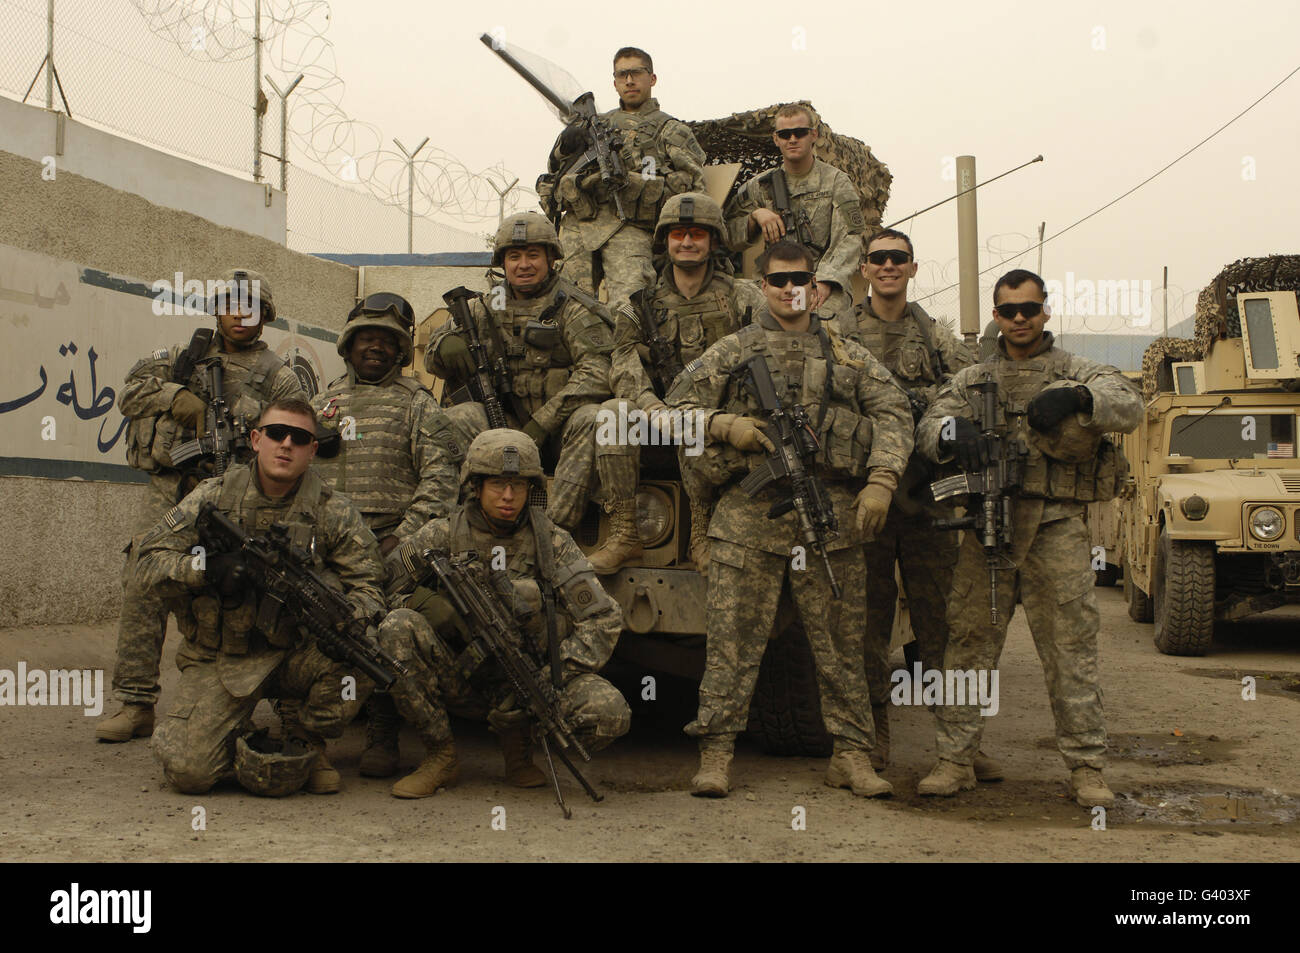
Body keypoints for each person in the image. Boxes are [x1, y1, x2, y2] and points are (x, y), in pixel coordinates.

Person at [666, 240, 913, 798]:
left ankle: (851, 755)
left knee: (841, 647)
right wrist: (726, 425)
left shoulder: (847, 354)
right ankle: (716, 754)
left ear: (817, 288)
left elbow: (895, 410)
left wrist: (881, 481)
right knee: (731, 646)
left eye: (799, 278)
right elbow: (673, 409)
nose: (789, 288)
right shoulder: (732, 350)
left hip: (829, 518)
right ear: (763, 286)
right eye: (777, 280)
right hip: (749, 518)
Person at [914, 268, 1141, 807]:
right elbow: (927, 428)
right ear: (996, 316)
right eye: (1009, 310)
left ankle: (1087, 767)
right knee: (967, 649)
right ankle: (954, 759)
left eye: (1030, 309)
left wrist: (1079, 399)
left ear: (1044, 311)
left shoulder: (1074, 369)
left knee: (1070, 652)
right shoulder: (973, 379)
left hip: (1055, 527)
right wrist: (952, 431)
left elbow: (1130, 404)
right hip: (986, 532)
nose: (1020, 319)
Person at [97, 269, 307, 744]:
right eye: (231, 304)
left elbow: (296, 435)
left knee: (231, 593)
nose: (239, 314)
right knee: (143, 577)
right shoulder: (181, 359)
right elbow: (129, 393)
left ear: (265, 316)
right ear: (218, 309)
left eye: (250, 306)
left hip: (234, 494)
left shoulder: (280, 376)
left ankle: (232, 703)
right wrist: (177, 397)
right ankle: (135, 702)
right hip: (171, 488)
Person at [138, 398, 387, 796]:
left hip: (295, 653)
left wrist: (343, 618)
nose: (286, 444)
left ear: (312, 450)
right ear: (256, 439)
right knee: (190, 774)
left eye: (300, 438)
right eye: (276, 433)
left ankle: (306, 739)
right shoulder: (213, 496)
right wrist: (207, 570)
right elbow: (145, 562)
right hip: (223, 657)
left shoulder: (332, 510)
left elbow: (370, 585)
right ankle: (242, 734)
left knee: (368, 648)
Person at [375, 429, 630, 798]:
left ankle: (521, 746)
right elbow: (383, 588)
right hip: (462, 675)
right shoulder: (441, 535)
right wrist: (427, 607)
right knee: (397, 628)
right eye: (497, 484)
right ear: (475, 486)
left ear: (531, 489)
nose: (508, 496)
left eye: (518, 485)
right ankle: (441, 755)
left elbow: (603, 619)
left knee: (609, 713)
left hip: (534, 678)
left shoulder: (552, 542)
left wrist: (549, 675)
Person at [837, 228, 993, 776]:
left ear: (912, 267)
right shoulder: (839, 335)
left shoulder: (937, 338)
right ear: (864, 268)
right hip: (867, 498)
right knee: (866, 627)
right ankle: (872, 742)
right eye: (878, 259)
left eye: (896, 259)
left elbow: (969, 396)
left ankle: (961, 746)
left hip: (929, 501)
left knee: (944, 628)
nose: (887, 267)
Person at [311, 292, 465, 778]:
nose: (374, 348)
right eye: (366, 339)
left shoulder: (418, 405)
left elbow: (440, 481)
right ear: (348, 346)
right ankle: (309, 732)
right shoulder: (321, 405)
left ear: (401, 352)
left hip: (395, 542)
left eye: (386, 341)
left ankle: (382, 728)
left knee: (383, 630)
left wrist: (400, 539)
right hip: (332, 545)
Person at [590, 192, 764, 573]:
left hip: (718, 421)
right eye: (678, 233)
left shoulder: (742, 297)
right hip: (654, 420)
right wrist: (650, 405)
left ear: (713, 241)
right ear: (665, 241)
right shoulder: (640, 304)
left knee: (693, 421)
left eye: (697, 234)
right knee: (611, 414)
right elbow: (622, 358)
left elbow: (765, 354)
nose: (687, 242)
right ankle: (625, 533)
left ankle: (700, 532)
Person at [426, 212, 625, 534]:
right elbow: (432, 358)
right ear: (502, 263)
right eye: (514, 256)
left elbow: (599, 370)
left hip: (559, 432)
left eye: (533, 255)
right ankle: (456, 525)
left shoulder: (572, 307)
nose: (524, 265)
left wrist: (543, 422)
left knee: (595, 418)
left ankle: (551, 533)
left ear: (550, 259)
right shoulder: (484, 307)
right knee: (454, 420)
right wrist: (445, 345)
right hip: (498, 425)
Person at [542, 45, 706, 311]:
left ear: (652, 79)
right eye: (622, 75)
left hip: (631, 226)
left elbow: (695, 188)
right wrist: (566, 142)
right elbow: (555, 169)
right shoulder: (595, 124)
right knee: (567, 307)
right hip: (581, 224)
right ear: (615, 83)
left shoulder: (671, 130)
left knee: (631, 307)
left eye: (636, 73)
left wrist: (643, 184)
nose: (629, 81)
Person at [724, 103, 866, 319]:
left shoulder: (836, 182)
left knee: (817, 324)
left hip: (817, 281)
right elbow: (728, 235)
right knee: (731, 306)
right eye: (785, 134)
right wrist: (755, 217)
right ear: (776, 139)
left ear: (813, 135)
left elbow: (849, 238)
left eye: (799, 133)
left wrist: (825, 280)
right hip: (772, 284)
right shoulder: (759, 186)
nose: (792, 139)